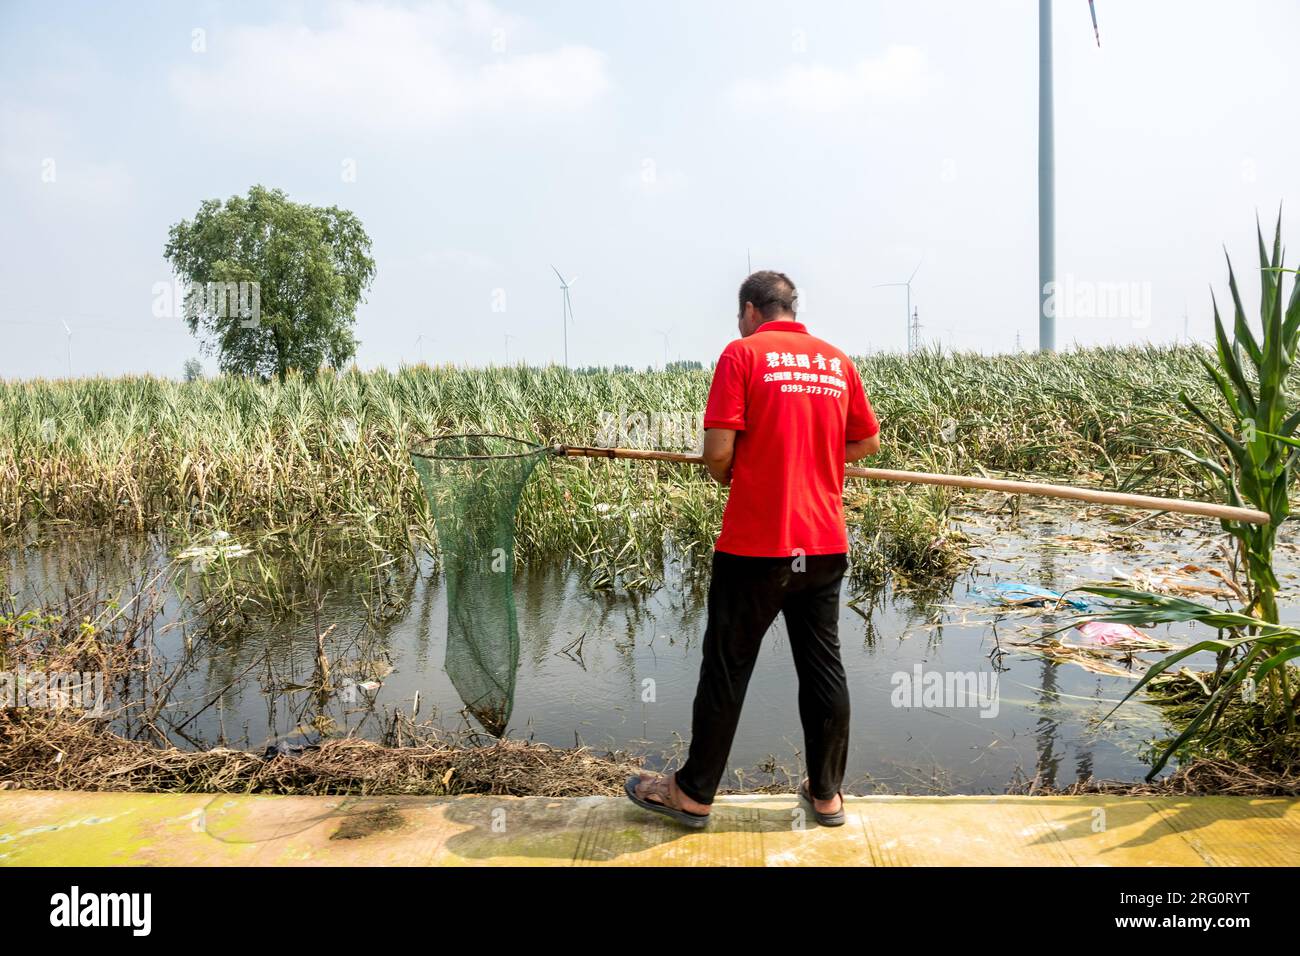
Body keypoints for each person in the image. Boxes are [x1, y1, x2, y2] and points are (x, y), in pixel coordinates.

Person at [625, 270, 881, 828]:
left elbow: (718, 453)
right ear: (792, 308)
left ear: (749, 310)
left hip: (757, 547)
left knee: (726, 669)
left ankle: (692, 795)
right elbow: (865, 440)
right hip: (822, 546)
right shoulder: (835, 361)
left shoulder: (742, 355)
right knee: (823, 670)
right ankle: (828, 795)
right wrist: (812, 455)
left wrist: (745, 467)